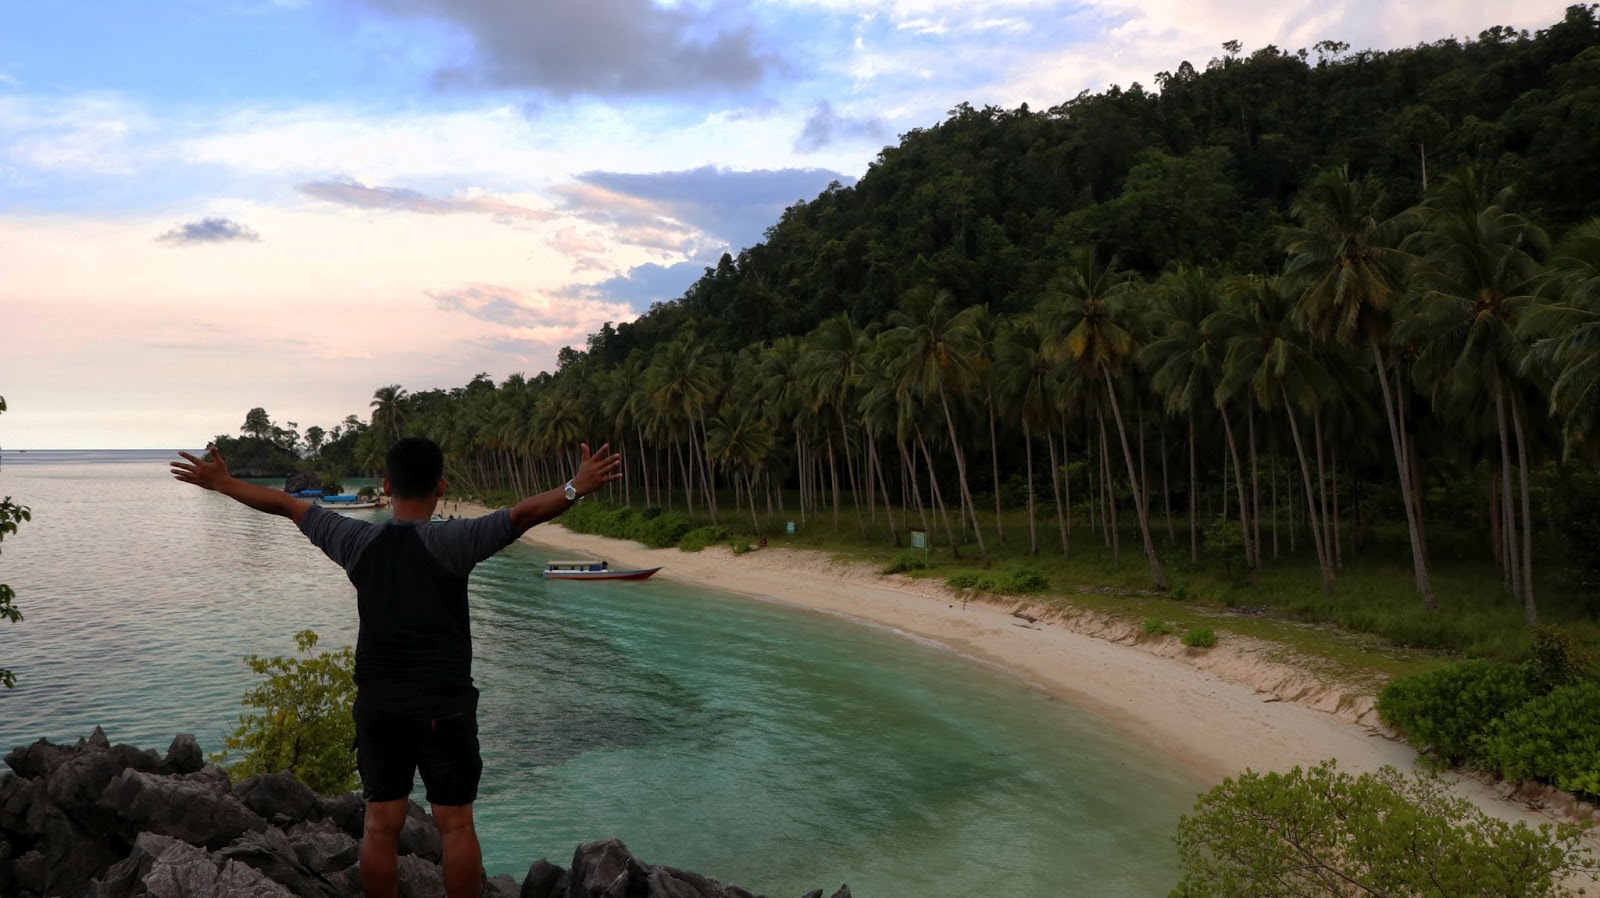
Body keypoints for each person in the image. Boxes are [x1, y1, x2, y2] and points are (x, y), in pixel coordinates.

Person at [171, 436, 622, 898]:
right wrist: (575, 487)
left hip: (380, 705)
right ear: (441, 486)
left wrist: (223, 483)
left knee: (380, 825)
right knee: (455, 826)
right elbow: (522, 515)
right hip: (444, 705)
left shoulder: (356, 540)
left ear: (386, 486)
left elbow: (287, 505)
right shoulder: (455, 541)